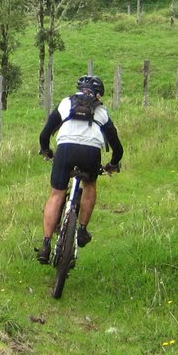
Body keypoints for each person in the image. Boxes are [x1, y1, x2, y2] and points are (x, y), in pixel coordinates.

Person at [37, 74, 123, 263]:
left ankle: (45, 244)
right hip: (91, 153)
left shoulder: (65, 104)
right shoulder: (101, 111)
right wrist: (113, 164)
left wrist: (46, 151)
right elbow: (117, 146)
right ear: (98, 95)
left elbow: (44, 134)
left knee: (56, 194)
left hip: (65, 149)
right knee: (90, 185)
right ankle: (82, 230)